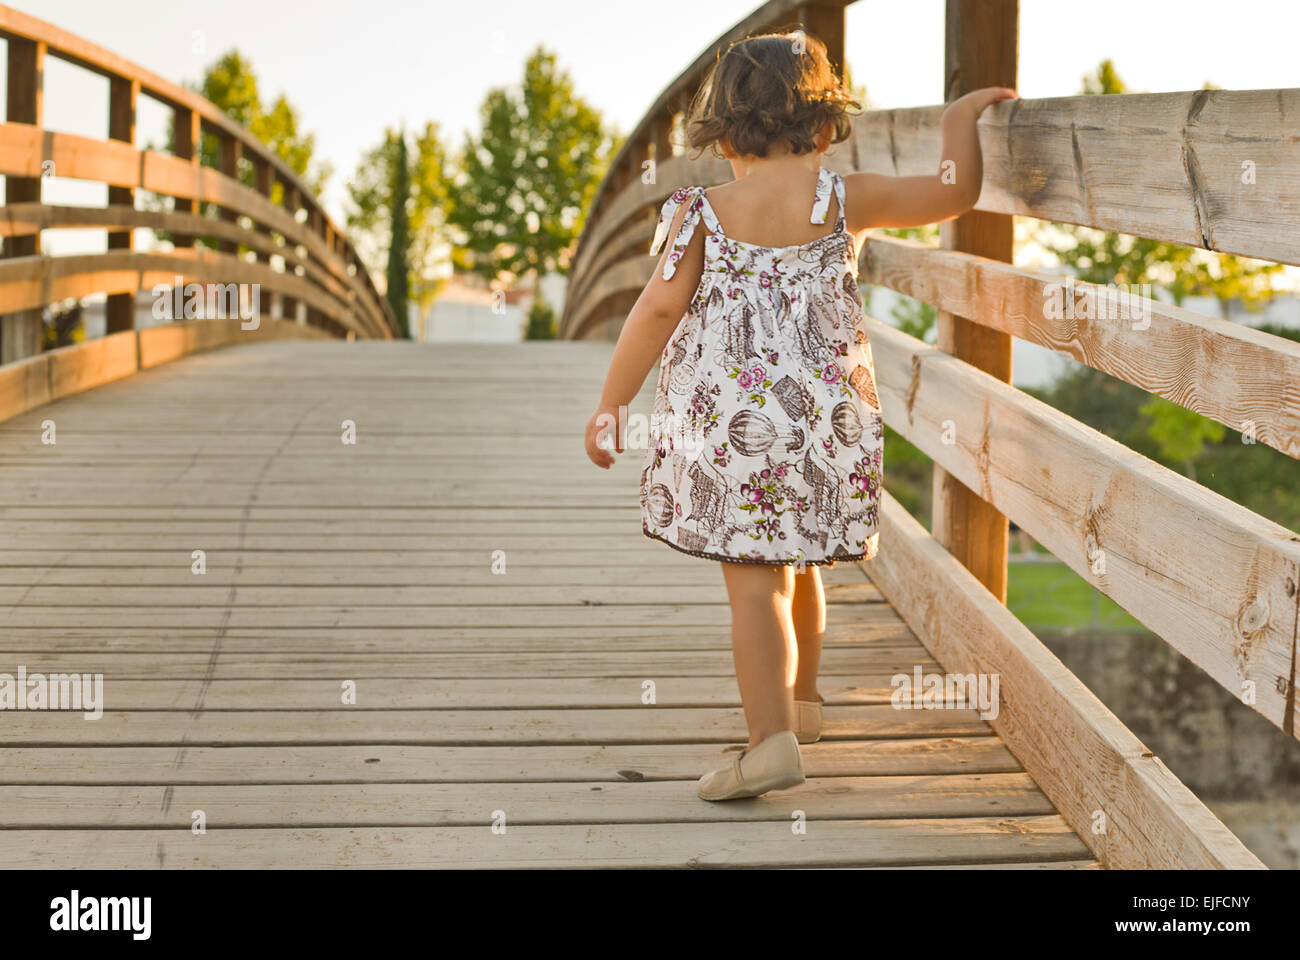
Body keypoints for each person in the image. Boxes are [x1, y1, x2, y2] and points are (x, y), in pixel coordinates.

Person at [584, 28, 1016, 800]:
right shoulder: (845, 198)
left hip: (731, 432)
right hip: (825, 423)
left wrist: (613, 406)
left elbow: (654, 312)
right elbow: (954, 192)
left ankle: (770, 742)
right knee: (801, 560)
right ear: (824, 124)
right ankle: (804, 705)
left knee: (754, 583)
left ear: (720, 130)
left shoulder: (700, 213)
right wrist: (959, 123)